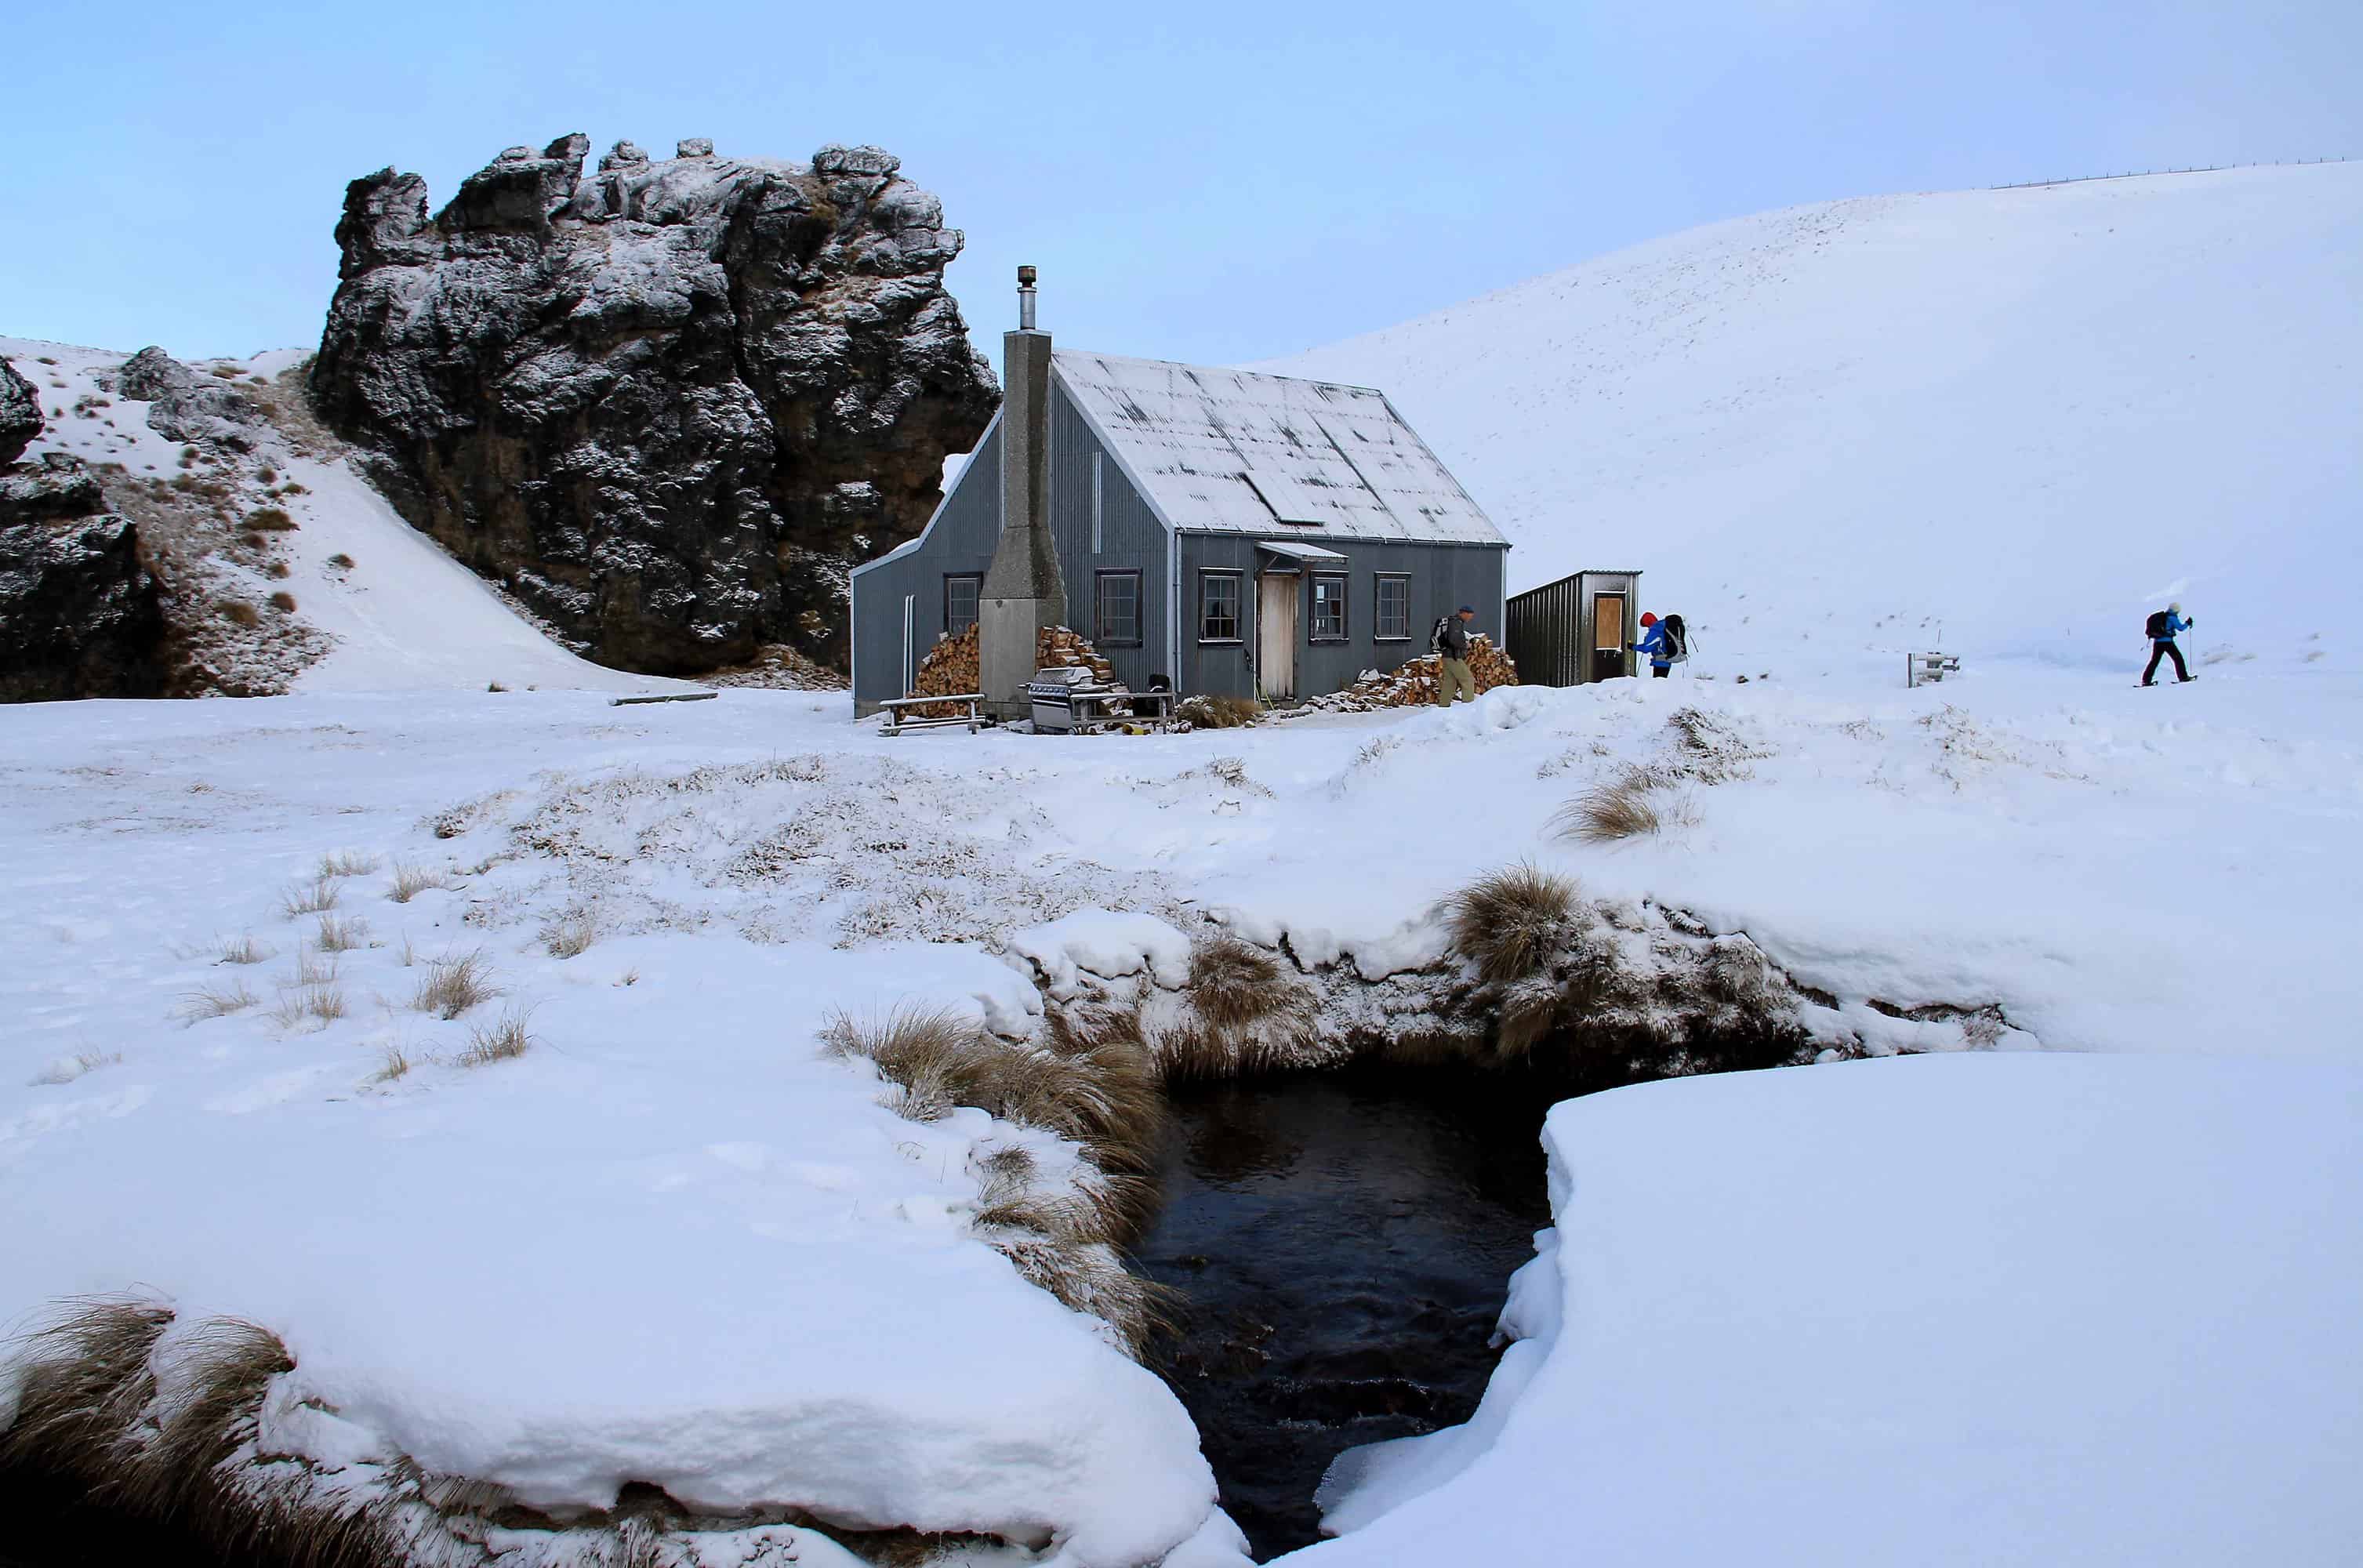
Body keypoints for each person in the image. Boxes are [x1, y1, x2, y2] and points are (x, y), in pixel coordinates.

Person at [1432, 604, 1479, 706]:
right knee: (1468, 679)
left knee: (1450, 682)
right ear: (1464, 613)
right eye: (1470, 615)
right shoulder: (1456, 622)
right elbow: (1454, 640)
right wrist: (1465, 645)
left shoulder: (1453, 621)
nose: (1471, 618)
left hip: (1447, 656)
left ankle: (1443, 707)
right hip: (1453, 656)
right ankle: (1468, 707)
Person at [2143, 601, 2195, 685]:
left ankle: (2146, 680)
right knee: (2178, 658)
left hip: (2157, 642)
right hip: (2167, 642)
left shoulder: (2164, 616)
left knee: (2154, 661)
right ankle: (2183, 677)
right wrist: (2187, 623)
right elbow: (2181, 628)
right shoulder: (2172, 618)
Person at [1630, 611, 1676, 677]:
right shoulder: (1662, 628)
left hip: (1660, 662)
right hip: (1666, 661)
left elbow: (1646, 648)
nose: (1648, 629)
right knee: (1661, 684)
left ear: (1648, 623)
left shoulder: (1655, 630)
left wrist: (1633, 647)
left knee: (1658, 685)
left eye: (1646, 626)